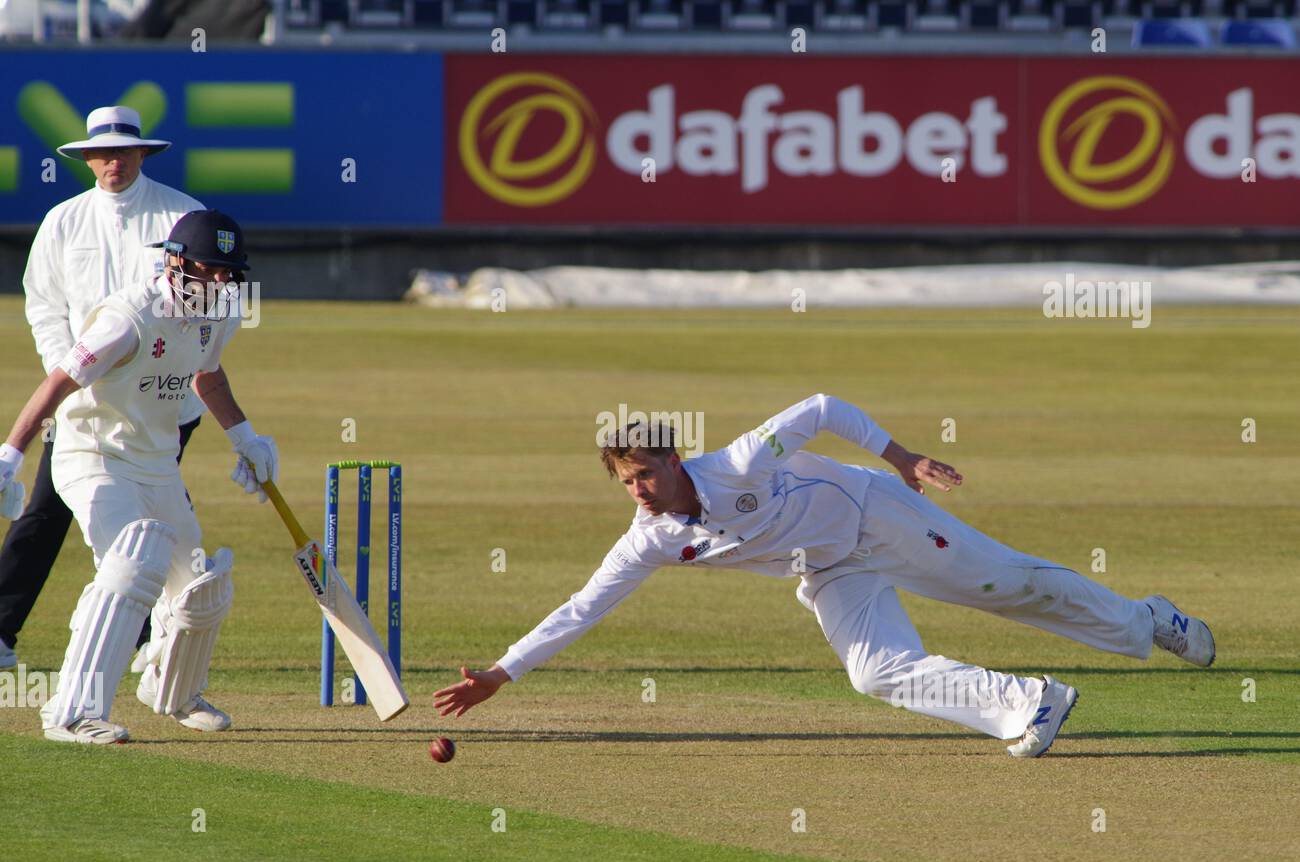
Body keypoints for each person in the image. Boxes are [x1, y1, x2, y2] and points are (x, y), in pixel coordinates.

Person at [434, 394, 1215, 758]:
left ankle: (1150, 622)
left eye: (643, 473)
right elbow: (582, 608)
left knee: (1011, 585)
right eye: (625, 482)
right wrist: (502, 673)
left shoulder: (739, 461)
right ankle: (1028, 705)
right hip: (831, 570)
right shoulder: (647, 541)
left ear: (672, 458)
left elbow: (820, 406)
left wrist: (901, 458)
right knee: (875, 675)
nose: (636, 490)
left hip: (881, 517)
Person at [0, 210, 278, 743]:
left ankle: (170, 688)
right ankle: (71, 713)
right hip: (92, 454)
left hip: (156, 461)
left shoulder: (216, 314)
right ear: (175, 262)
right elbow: (59, 381)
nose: (219, 281)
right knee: (131, 561)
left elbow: (207, 374)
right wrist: (12, 453)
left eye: (228, 272)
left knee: (200, 583)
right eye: (208, 268)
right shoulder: (129, 317)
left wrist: (246, 437)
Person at [0, 104, 205, 674]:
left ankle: (146, 642)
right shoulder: (63, 220)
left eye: (122, 151)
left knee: (150, 514)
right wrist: (68, 376)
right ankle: (2, 630)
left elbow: (204, 305)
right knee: (47, 510)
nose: (112, 161)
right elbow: (44, 306)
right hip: (80, 400)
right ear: (86, 157)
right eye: (101, 152)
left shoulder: (182, 215)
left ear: (142, 152)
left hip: (162, 403)